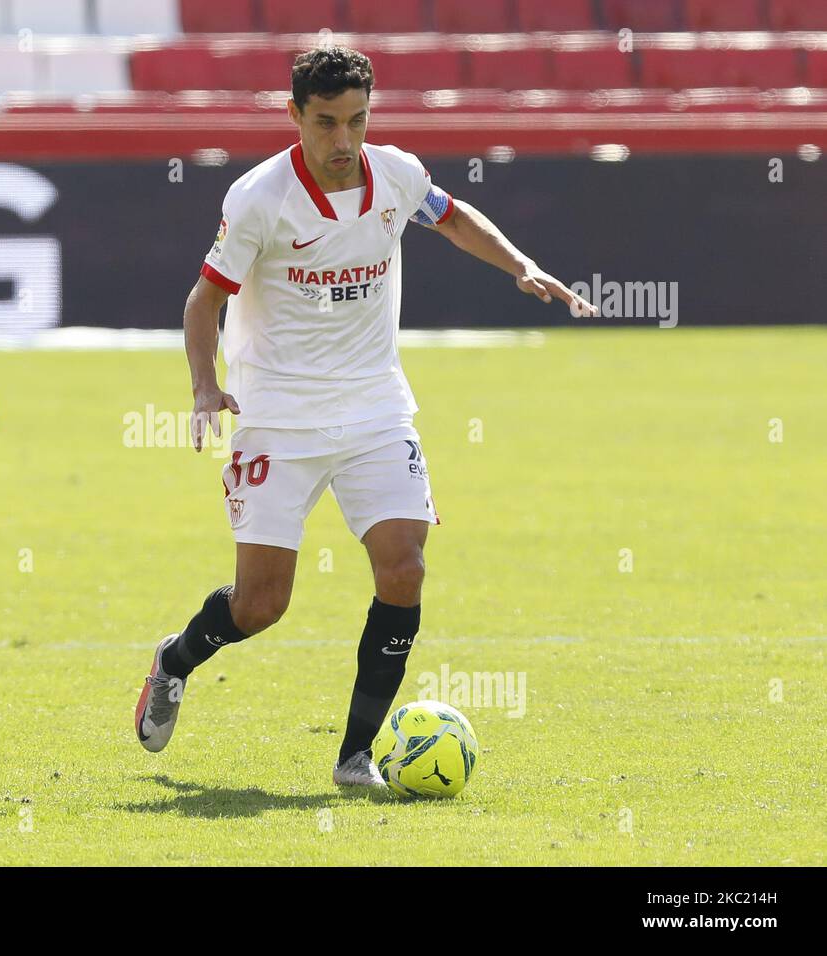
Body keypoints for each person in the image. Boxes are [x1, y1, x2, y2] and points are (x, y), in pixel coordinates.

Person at [134, 46, 596, 786]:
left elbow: (450, 217)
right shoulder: (260, 198)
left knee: (404, 569)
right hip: (278, 413)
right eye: (325, 124)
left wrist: (519, 265)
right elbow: (204, 300)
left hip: (376, 406)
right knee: (260, 605)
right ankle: (175, 660)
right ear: (294, 116)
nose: (343, 141)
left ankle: (355, 756)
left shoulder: (397, 174)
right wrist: (201, 386)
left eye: (356, 120)